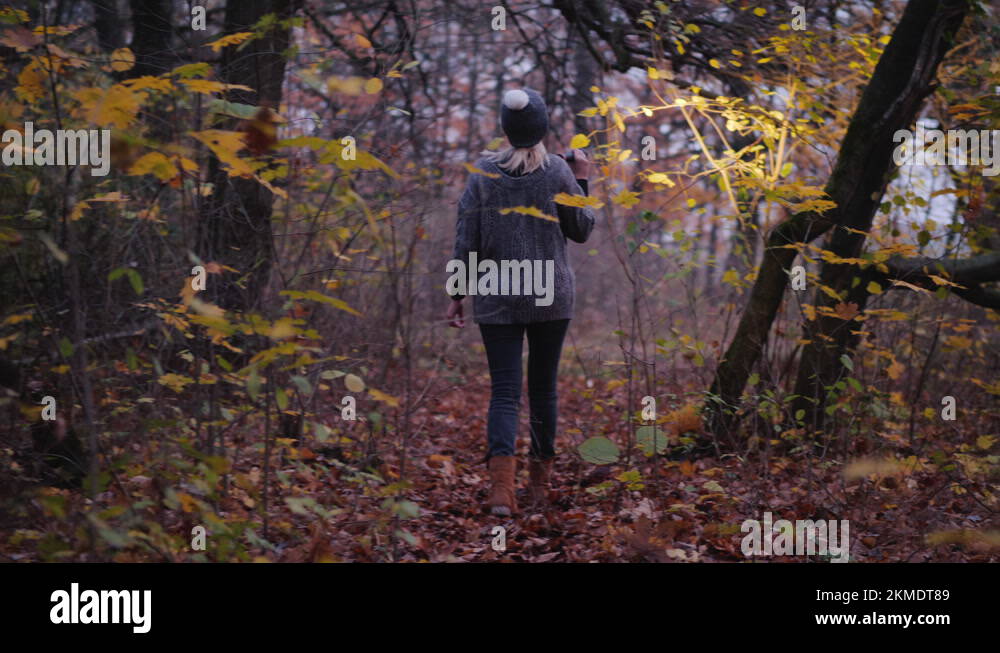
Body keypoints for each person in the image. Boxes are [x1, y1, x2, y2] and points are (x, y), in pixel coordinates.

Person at [446, 87, 597, 516]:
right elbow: (583, 229)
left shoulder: (482, 174)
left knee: (505, 394)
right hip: (550, 295)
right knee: (544, 390)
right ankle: (538, 488)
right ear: (543, 127)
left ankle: (500, 494)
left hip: (496, 297)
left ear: (505, 129)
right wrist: (582, 177)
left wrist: (458, 293)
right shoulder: (556, 172)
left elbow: (465, 240)